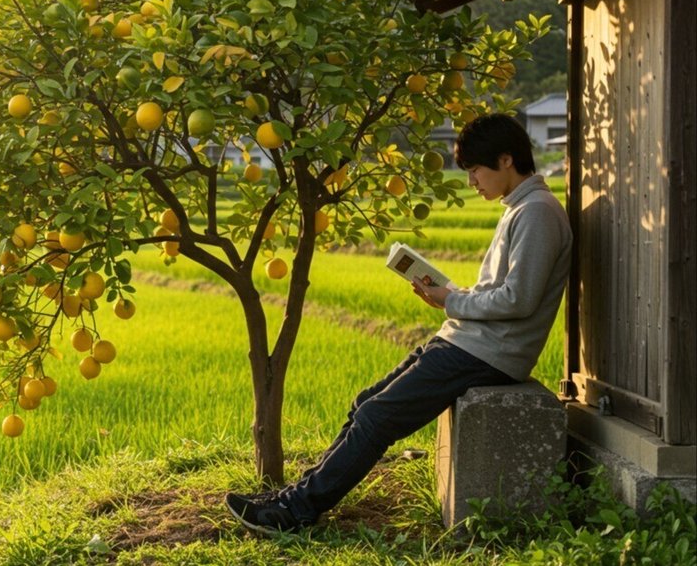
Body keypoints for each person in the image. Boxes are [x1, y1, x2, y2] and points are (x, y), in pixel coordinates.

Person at [226, 113, 573, 534]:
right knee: (365, 403)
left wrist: (451, 299)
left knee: (377, 417)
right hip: (468, 342)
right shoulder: (520, 207)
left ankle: (295, 512)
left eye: (475, 171)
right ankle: (294, 497)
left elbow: (519, 299)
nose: (471, 182)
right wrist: (450, 293)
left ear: (506, 160)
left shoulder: (537, 213)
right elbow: (503, 291)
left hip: (488, 353)